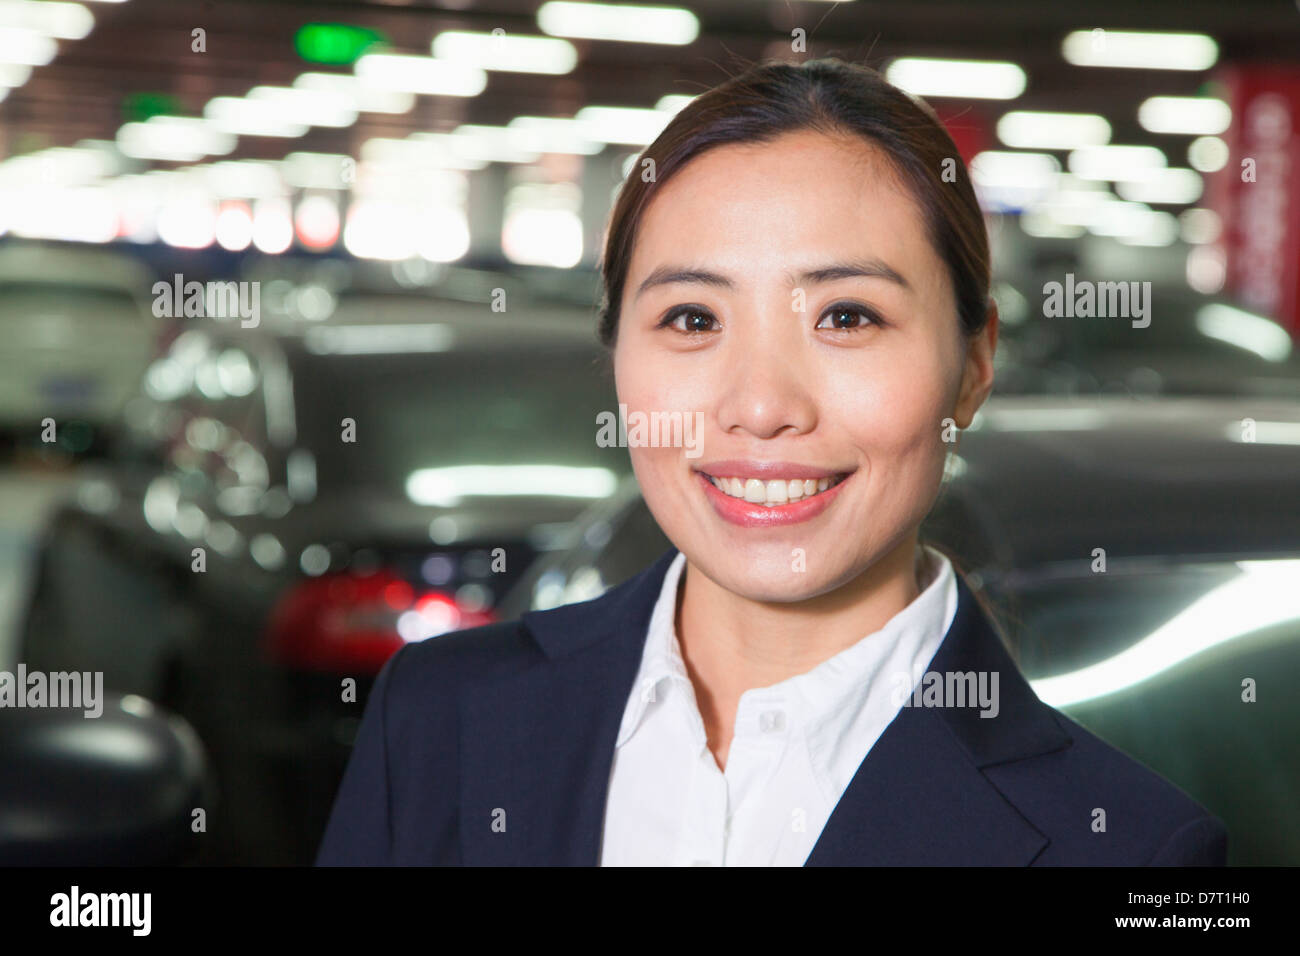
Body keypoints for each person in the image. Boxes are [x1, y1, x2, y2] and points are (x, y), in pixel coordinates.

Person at [316, 57, 1227, 866]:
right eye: (692, 319)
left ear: (973, 366)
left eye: (847, 316)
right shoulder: (442, 718)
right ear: (616, 355)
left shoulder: (1130, 849)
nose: (760, 407)